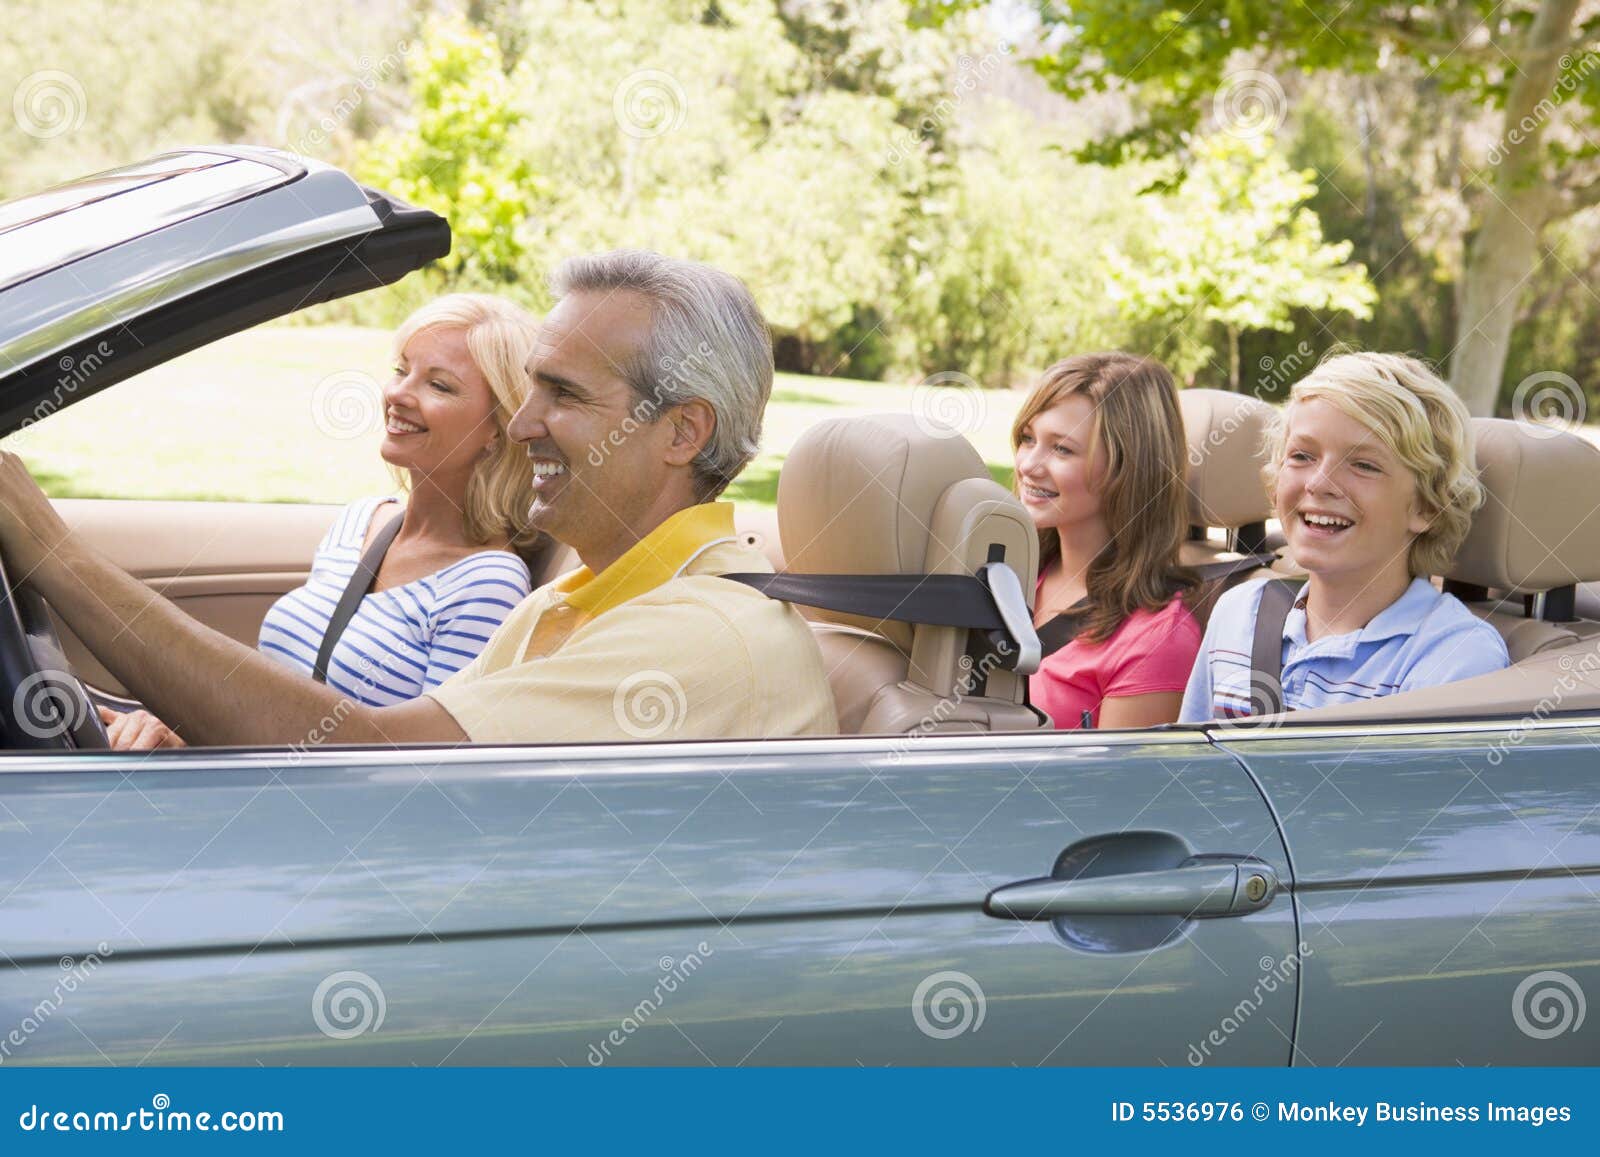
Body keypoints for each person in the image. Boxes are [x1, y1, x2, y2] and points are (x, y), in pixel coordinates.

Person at [0, 249, 838, 749]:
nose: (523, 423)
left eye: (564, 395)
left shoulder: (698, 632)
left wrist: (53, 552)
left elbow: (368, 757)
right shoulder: (577, 601)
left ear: (683, 432)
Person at [103, 294, 543, 749]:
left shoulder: (487, 585)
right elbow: (273, 718)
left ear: (499, 429)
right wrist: (180, 740)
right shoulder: (362, 522)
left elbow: (426, 770)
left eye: (439, 385)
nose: (397, 394)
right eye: (401, 370)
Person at [1179, 351, 1510, 722]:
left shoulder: (1451, 656)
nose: (1320, 483)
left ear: (1428, 507)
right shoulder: (1239, 612)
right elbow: (1189, 772)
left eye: (1364, 465)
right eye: (1302, 456)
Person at [1014, 353, 1202, 729]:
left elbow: (1113, 787)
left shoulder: (1156, 640)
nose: (1029, 466)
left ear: (1128, 468)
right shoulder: (1010, 577)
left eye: (1062, 448)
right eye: (1027, 438)